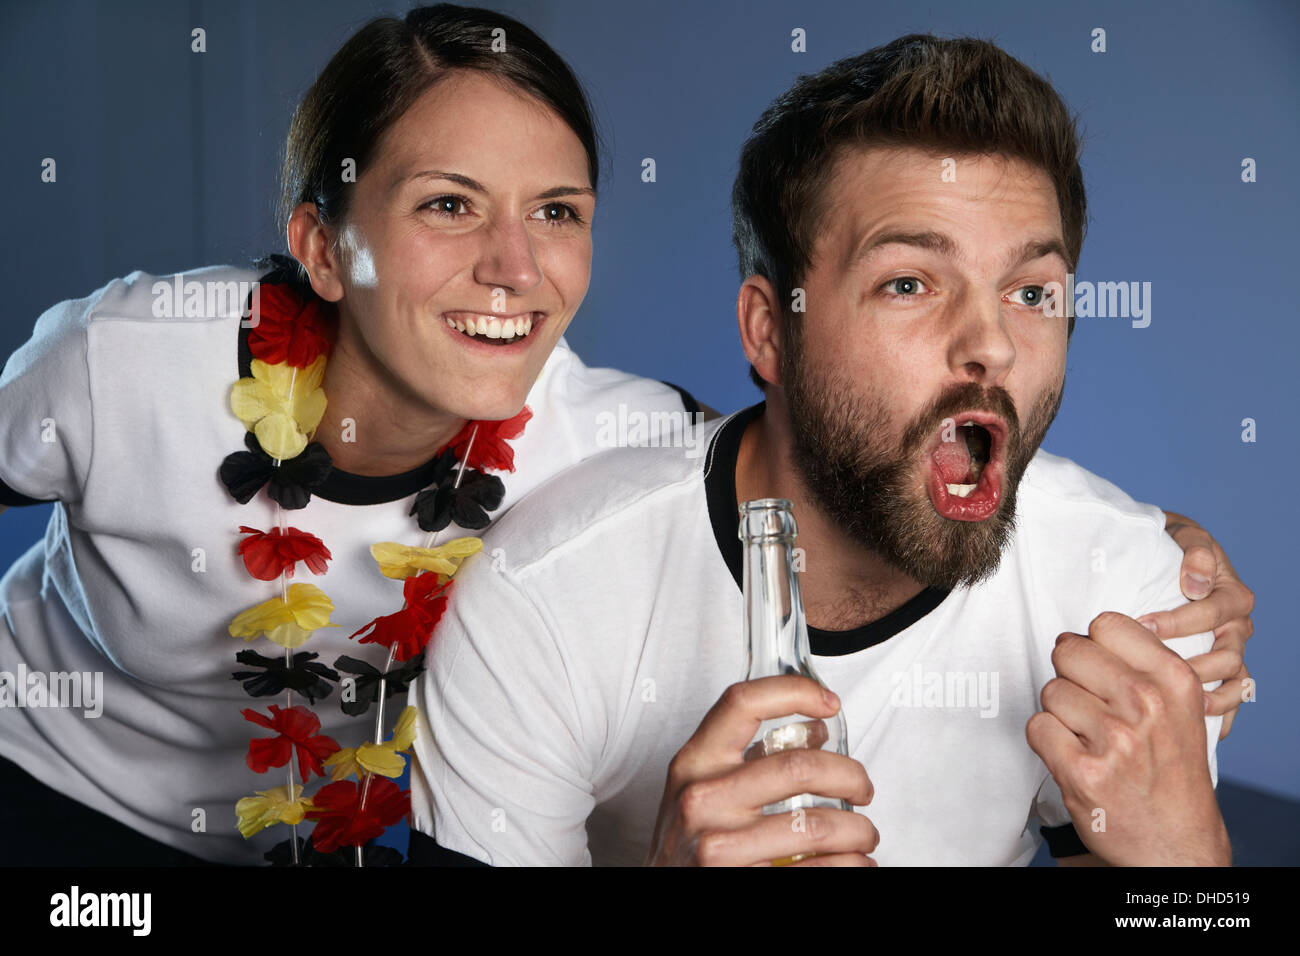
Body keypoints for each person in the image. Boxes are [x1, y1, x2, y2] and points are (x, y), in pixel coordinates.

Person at [407, 33, 1255, 866]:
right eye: (909, 284)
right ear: (770, 331)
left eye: (1031, 291)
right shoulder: (541, 600)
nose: (991, 343)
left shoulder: (1131, 600)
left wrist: (1188, 859)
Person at [0, 4, 709, 866]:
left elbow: (803, 488)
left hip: (336, 844)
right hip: (48, 798)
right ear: (324, 250)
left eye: (558, 213)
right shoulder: (119, 361)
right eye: (450, 204)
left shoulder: (619, 441)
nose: (516, 270)